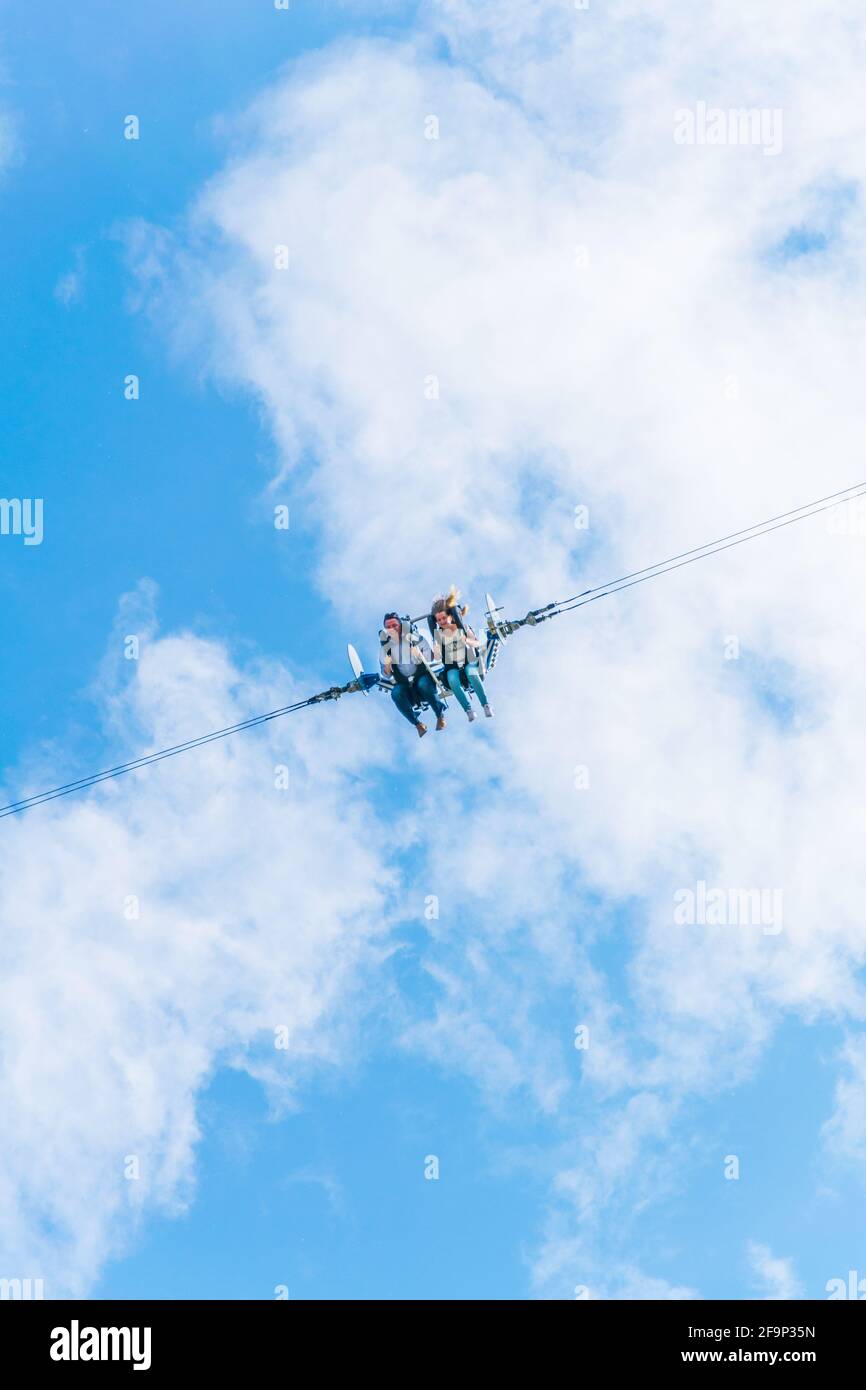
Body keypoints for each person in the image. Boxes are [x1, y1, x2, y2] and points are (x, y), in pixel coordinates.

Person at [429, 590, 493, 722]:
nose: (441, 621)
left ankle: (485, 704)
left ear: (451, 616)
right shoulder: (439, 635)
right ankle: (468, 710)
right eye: (438, 620)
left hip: (469, 661)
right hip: (452, 666)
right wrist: (436, 647)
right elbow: (437, 657)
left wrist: (466, 640)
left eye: (443, 618)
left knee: (471, 673)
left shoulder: (462, 628)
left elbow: (476, 643)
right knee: (452, 679)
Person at [380, 612, 447, 738]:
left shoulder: (416, 638)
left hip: (422, 677)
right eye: (388, 627)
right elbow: (386, 675)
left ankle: (440, 715)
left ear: (401, 625)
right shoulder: (385, 649)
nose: (391, 629)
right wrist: (387, 665)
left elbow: (431, 657)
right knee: (395, 693)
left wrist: (418, 654)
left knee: (424, 684)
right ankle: (417, 724)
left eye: (394, 625)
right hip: (404, 683)